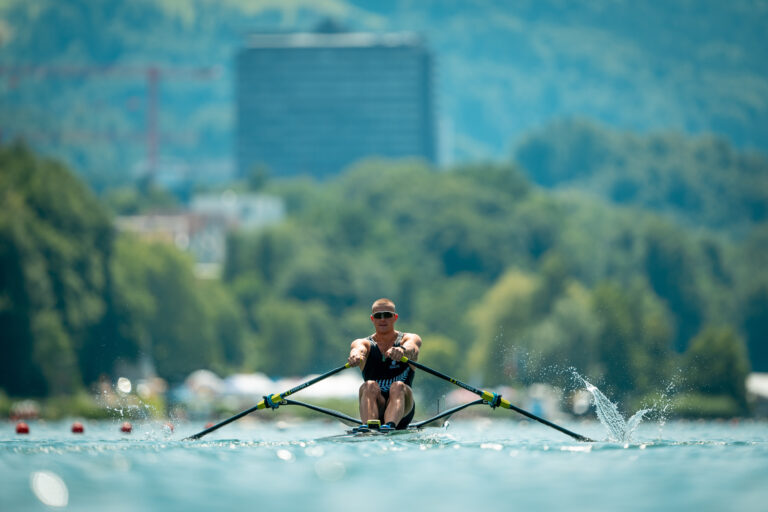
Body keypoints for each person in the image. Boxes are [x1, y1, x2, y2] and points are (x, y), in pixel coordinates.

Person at [347, 298, 422, 431]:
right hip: (378, 408)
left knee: (398, 386)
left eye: (387, 315)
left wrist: (402, 350)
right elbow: (357, 348)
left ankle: (390, 426)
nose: (383, 319)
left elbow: (412, 347)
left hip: (404, 410)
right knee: (369, 385)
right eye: (378, 316)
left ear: (395, 317)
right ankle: (370, 427)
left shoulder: (409, 338)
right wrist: (356, 355)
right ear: (372, 319)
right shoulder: (364, 343)